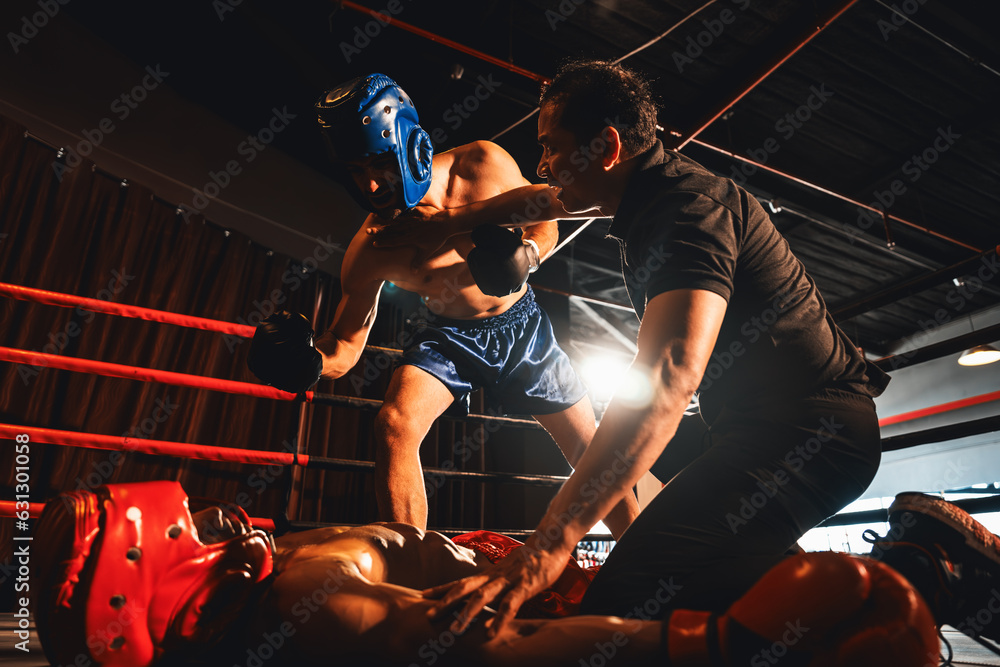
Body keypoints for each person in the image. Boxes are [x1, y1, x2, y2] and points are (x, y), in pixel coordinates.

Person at [368, 59, 1000, 649]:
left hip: (813, 430)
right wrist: (444, 224)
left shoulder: (687, 210)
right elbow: (536, 201)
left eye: (552, 146)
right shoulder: (640, 190)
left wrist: (547, 548)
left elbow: (670, 377)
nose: (542, 162)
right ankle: (873, 581)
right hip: (744, 425)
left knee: (632, 596)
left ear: (608, 147)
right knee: (665, 523)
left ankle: (920, 573)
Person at [246, 72, 639, 537]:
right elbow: (346, 345)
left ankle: (643, 569)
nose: (372, 186)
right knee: (394, 423)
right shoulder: (373, 247)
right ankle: (411, 562)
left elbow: (547, 218)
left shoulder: (482, 165)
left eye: (378, 163)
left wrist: (529, 255)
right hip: (450, 339)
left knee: (591, 452)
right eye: (356, 171)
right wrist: (311, 360)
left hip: (524, 327)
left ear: (409, 144)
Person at [32, 480, 938, 666]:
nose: (215, 516)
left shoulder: (288, 558)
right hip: (594, 613)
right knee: (860, 614)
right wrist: (713, 645)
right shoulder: (300, 601)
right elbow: (492, 645)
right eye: (187, 529)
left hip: (547, 574)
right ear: (141, 584)